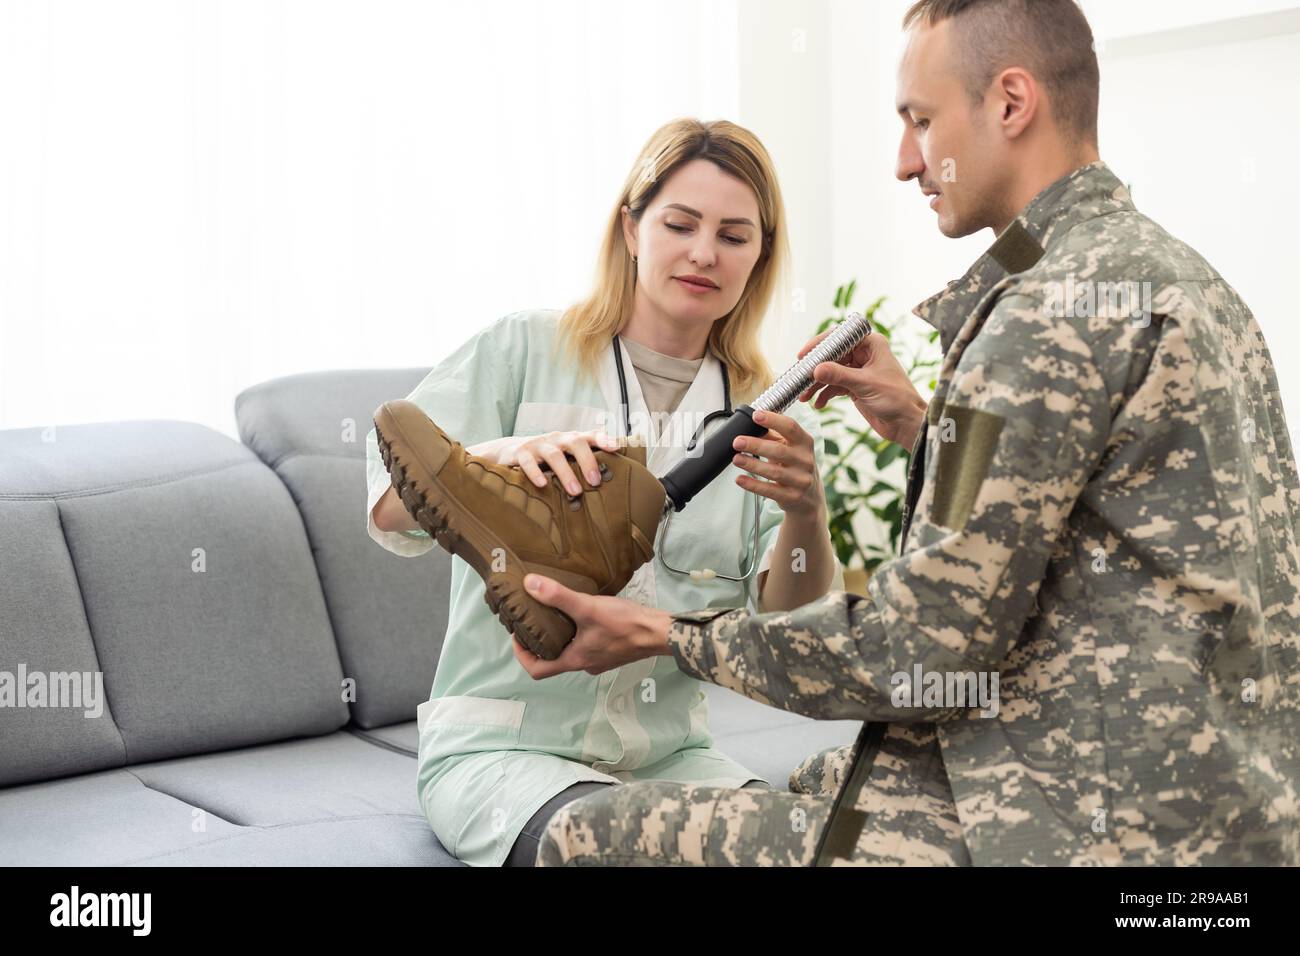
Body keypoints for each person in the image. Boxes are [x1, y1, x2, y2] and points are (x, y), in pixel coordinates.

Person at [519, 0, 1300, 866]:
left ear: (1010, 103)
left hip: (1081, 829)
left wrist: (661, 635)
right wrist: (927, 430)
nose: (903, 162)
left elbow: (917, 645)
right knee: (831, 774)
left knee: (582, 834)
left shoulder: (1041, 313)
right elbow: (1087, 521)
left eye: (919, 122)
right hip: (1223, 813)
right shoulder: (1178, 277)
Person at [363, 118, 844, 866]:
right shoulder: (524, 348)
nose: (703, 253)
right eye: (680, 224)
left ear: (761, 255)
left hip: (670, 755)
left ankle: (827, 796)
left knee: (821, 852)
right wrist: (503, 460)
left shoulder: (758, 410)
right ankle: (487, 494)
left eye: (734, 235)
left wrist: (805, 511)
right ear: (631, 227)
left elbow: (794, 628)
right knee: (615, 848)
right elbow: (392, 511)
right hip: (506, 750)